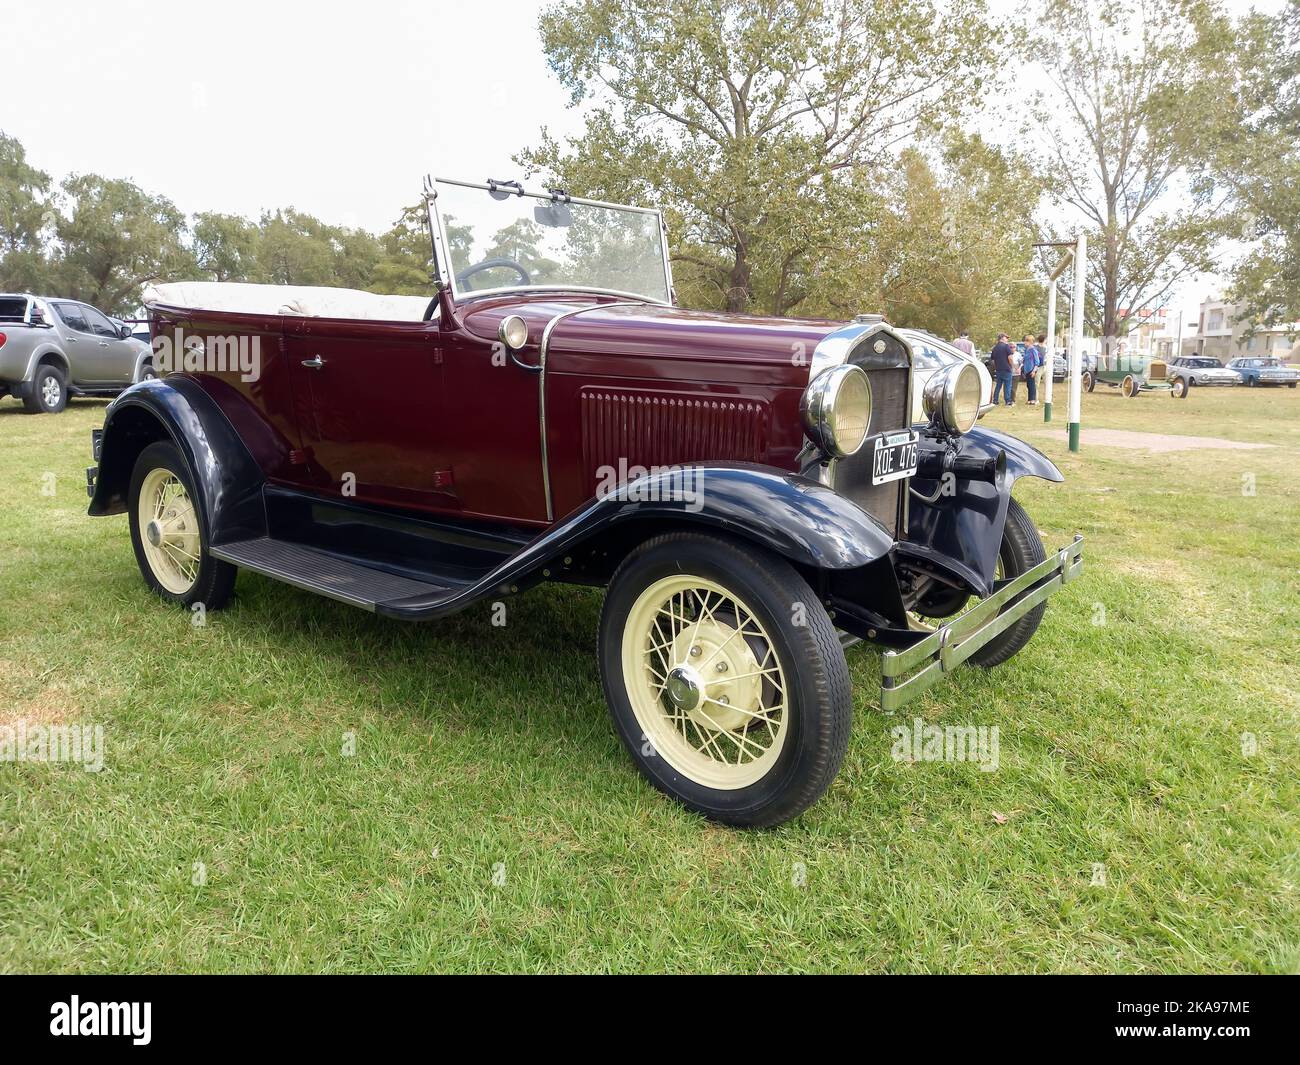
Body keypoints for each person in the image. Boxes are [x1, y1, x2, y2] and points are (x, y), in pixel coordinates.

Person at [990, 333, 1015, 406]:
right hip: (1006, 368)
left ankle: (995, 400)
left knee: (998, 385)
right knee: (1007, 385)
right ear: (1002, 338)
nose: (1007, 339)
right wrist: (1012, 365)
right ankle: (1008, 401)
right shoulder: (1006, 346)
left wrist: (997, 366)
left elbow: (993, 360)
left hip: (998, 369)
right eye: (1006, 338)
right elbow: (1010, 357)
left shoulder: (995, 348)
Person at [1021, 334, 1040, 405]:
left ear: (1030, 342)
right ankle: (1029, 399)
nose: (1025, 343)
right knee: (1028, 385)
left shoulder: (1033, 350)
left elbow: (1037, 361)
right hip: (1026, 370)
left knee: (1032, 385)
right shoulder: (1027, 350)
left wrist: (1034, 371)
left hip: (1031, 369)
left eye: (1026, 341)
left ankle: (1033, 399)